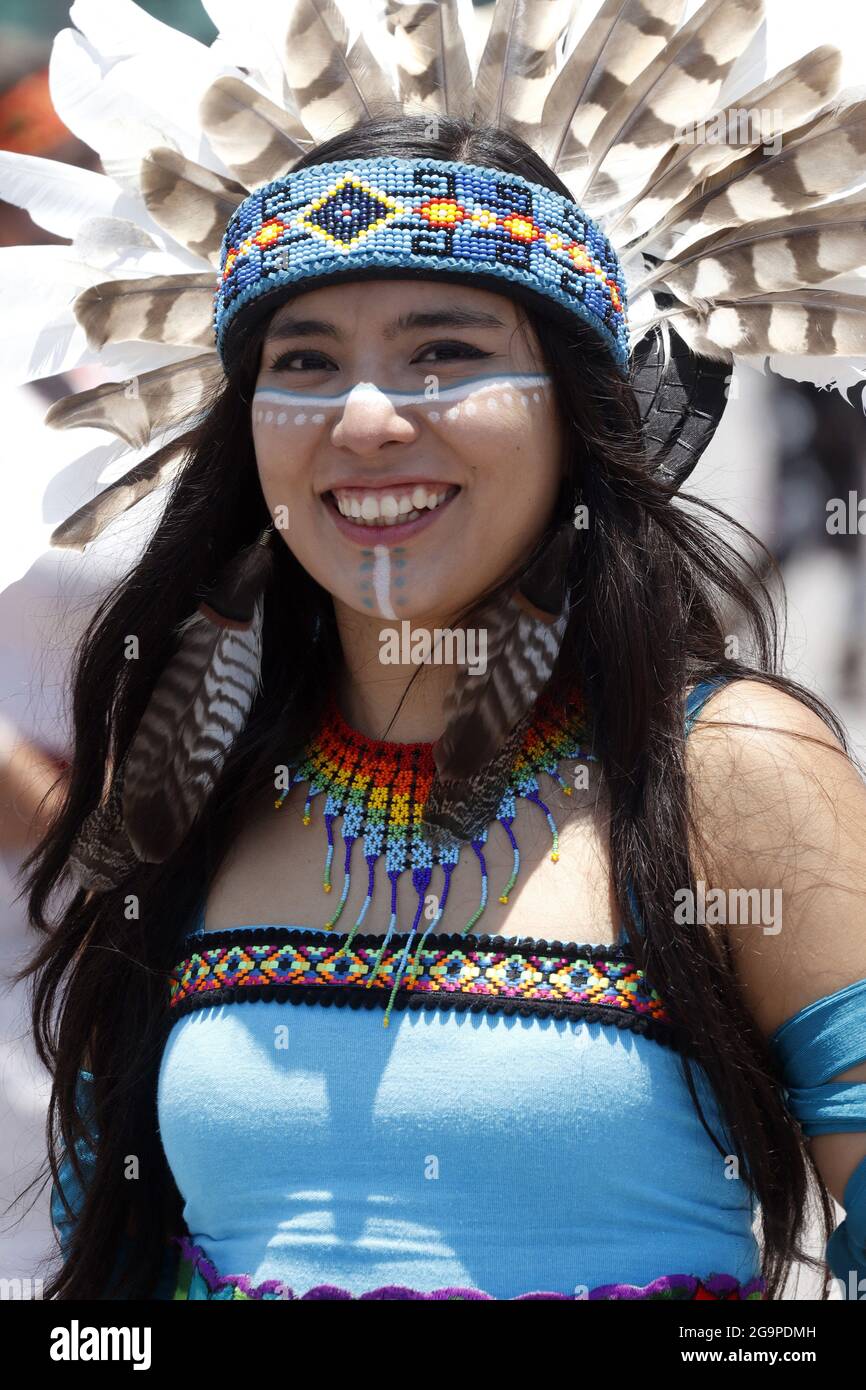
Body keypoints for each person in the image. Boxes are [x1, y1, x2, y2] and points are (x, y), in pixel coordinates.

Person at [7, 1, 866, 1302]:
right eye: (304, 359)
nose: (361, 419)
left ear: (579, 418)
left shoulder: (730, 767)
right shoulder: (197, 773)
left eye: (444, 354)